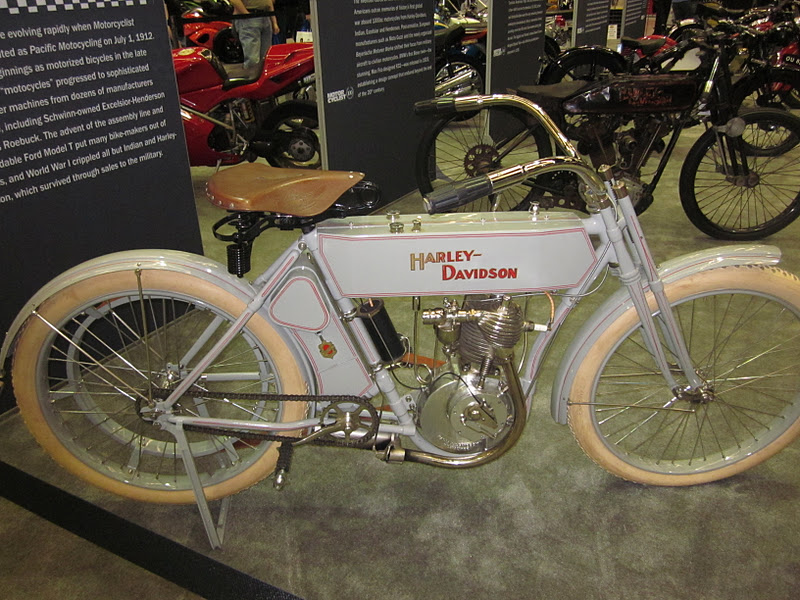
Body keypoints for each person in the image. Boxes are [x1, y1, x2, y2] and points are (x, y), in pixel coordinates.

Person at [230, 0, 280, 73]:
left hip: (265, 16)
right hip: (250, 16)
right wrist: (246, 14)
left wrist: (274, 21)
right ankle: (252, 79)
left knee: (266, 57)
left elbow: (268, 2)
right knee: (252, 59)